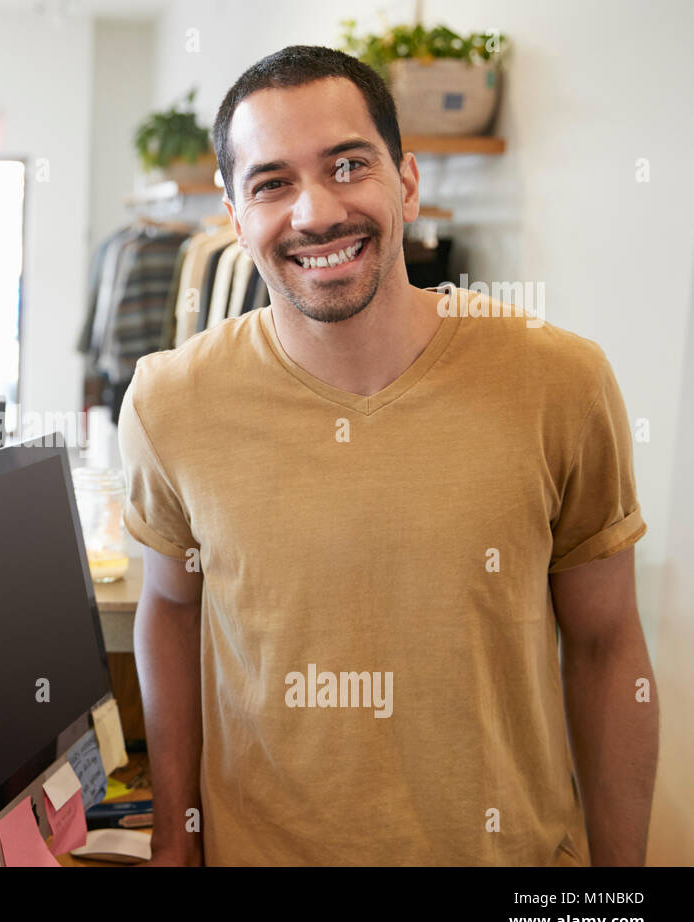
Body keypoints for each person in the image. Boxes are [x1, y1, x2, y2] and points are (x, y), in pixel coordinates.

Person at [119, 45, 658, 866]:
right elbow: (173, 611)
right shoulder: (170, 400)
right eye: (272, 183)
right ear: (234, 216)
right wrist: (174, 836)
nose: (315, 212)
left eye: (347, 165)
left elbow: (607, 644)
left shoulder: (560, 379)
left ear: (406, 183)